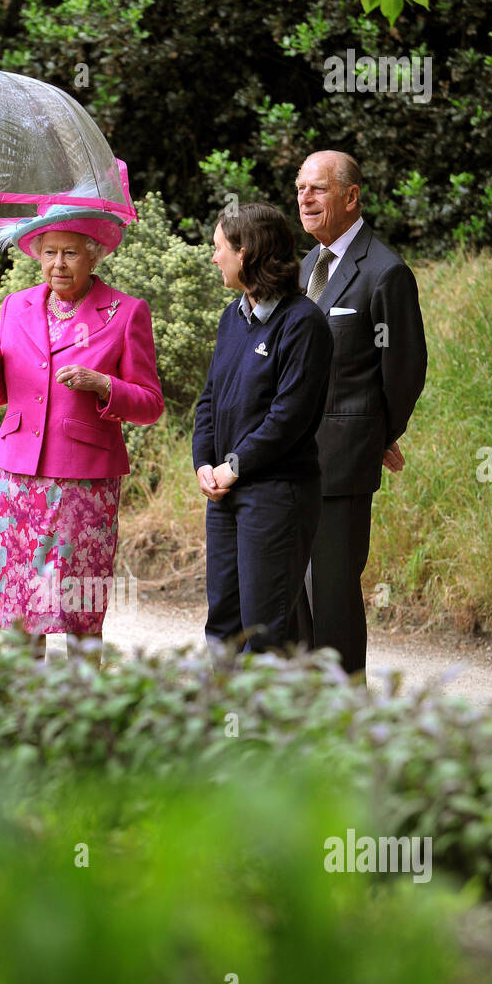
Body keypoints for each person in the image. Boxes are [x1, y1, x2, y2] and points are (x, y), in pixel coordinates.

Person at [0, 204, 164, 662]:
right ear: (37, 254)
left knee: (77, 602)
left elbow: (151, 404)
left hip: (84, 483)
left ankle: (85, 710)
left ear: (94, 256)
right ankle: (23, 705)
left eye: (71, 253)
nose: (59, 263)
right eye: (50, 252)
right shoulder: (15, 306)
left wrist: (104, 385)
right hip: (18, 477)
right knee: (19, 601)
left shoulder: (125, 312)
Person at [295, 150, 427, 674]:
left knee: (332, 594)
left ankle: (347, 714)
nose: (304, 198)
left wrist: (376, 432)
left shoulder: (386, 271)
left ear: (351, 197)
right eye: (300, 188)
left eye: (318, 189)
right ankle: (301, 709)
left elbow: (405, 370)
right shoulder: (307, 265)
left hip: (343, 463)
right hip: (292, 459)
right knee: (295, 596)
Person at [192, 201, 333, 655]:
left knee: (264, 630)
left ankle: (262, 725)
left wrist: (235, 466)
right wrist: (205, 466)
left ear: (246, 251)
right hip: (226, 492)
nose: (214, 257)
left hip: (276, 495)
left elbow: (288, 416)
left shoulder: (303, 323)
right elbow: (210, 399)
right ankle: (225, 721)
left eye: (219, 248)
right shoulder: (232, 318)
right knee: (224, 624)